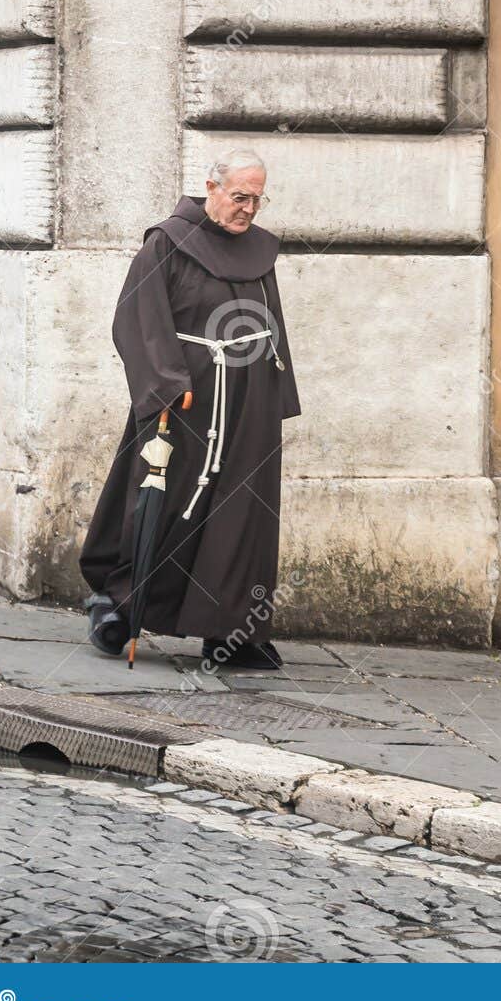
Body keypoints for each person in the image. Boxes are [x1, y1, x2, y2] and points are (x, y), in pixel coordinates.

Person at [79, 149, 301, 671]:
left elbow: (271, 324)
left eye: (256, 198)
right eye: (239, 196)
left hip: (249, 408)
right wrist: (166, 381)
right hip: (184, 404)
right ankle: (120, 606)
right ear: (212, 188)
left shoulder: (259, 253)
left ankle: (232, 629)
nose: (248, 208)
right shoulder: (166, 244)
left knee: (243, 515)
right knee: (164, 502)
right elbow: (138, 316)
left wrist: (277, 392)